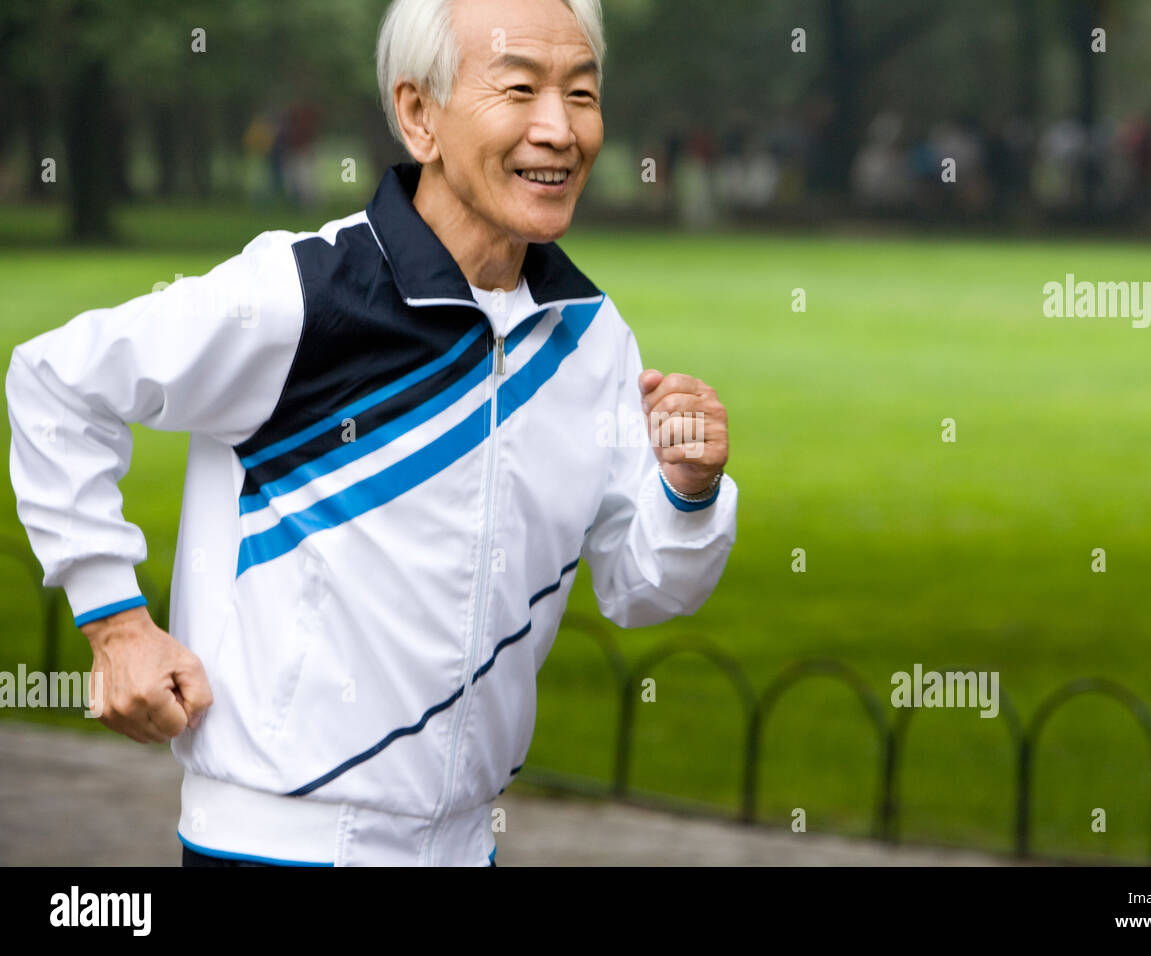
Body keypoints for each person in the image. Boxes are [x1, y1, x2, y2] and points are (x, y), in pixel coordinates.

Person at [5, 0, 737, 867]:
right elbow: (55, 380)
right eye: (519, 89)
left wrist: (687, 494)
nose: (559, 128)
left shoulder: (590, 337)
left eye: (581, 93)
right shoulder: (304, 292)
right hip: (271, 851)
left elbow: (639, 584)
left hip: (468, 849)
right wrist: (115, 622)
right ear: (418, 114)